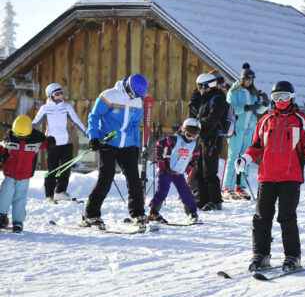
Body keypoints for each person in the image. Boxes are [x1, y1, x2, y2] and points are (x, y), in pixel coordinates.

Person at [235, 80, 305, 273]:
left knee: (286, 216)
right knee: (261, 217)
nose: (280, 101)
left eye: (285, 97)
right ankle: (261, 255)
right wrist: (245, 159)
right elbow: (256, 146)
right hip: (267, 176)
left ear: (292, 98)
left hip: (291, 176)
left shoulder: (301, 120)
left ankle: (292, 257)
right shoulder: (265, 120)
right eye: (276, 97)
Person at [82, 74, 149, 229]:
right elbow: (94, 116)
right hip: (108, 142)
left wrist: (136, 146)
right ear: (128, 88)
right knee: (106, 177)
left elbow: (134, 125)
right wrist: (94, 137)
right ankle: (91, 214)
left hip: (128, 144)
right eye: (134, 95)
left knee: (134, 180)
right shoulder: (109, 95)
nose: (135, 98)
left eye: (138, 96)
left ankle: (138, 213)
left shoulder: (137, 101)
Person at [33, 82, 88, 203]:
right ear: (50, 96)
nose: (60, 96)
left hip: (66, 143)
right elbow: (35, 123)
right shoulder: (45, 108)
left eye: (62, 93)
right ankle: (49, 196)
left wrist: (88, 133)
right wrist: (25, 131)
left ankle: (60, 192)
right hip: (51, 144)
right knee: (52, 170)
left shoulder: (67, 107)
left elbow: (77, 121)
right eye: (57, 94)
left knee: (66, 169)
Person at [148, 118, 202, 224]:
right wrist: (161, 160)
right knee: (162, 191)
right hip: (167, 170)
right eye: (189, 134)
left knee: (186, 193)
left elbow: (196, 156)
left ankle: (192, 212)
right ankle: (153, 212)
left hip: (179, 172)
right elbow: (159, 145)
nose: (191, 138)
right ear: (183, 130)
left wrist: (190, 167)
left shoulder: (194, 145)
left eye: (194, 135)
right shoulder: (174, 139)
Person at [0, 115, 48, 232]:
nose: (20, 138)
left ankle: (18, 221)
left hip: (24, 176)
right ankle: (1, 216)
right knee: (5, 194)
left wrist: (45, 137)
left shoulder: (36, 141)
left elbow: (47, 142)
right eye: (17, 136)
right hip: (10, 173)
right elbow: (1, 150)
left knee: (20, 198)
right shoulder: (8, 139)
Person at [223, 65, 265, 198]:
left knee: (246, 157)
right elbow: (230, 107)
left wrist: (264, 103)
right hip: (237, 128)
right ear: (242, 79)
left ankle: (241, 186)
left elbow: (259, 110)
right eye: (247, 80)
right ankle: (227, 187)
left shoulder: (254, 93)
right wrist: (246, 107)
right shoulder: (234, 91)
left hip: (249, 128)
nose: (249, 82)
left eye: (251, 80)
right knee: (233, 156)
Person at [195, 73, 230, 211]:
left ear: (207, 86)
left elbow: (212, 119)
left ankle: (215, 201)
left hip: (213, 138)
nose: (198, 89)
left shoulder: (218, 99)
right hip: (204, 138)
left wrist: (197, 123)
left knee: (210, 170)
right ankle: (204, 199)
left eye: (199, 86)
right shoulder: (206, 98)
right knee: (200, 170)